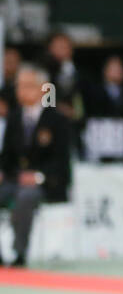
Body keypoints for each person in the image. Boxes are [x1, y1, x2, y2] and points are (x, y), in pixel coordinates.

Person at [0, 65, 73, 267]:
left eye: (29, 86)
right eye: (20, 86)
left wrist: (39, 176)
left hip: (45, 184)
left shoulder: (57, 120)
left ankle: (19, 252)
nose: (23, 91)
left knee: (26, 196)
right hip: (16, 179)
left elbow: (61, 162)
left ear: (43, 89)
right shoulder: (14, 118)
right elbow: (7, 157)